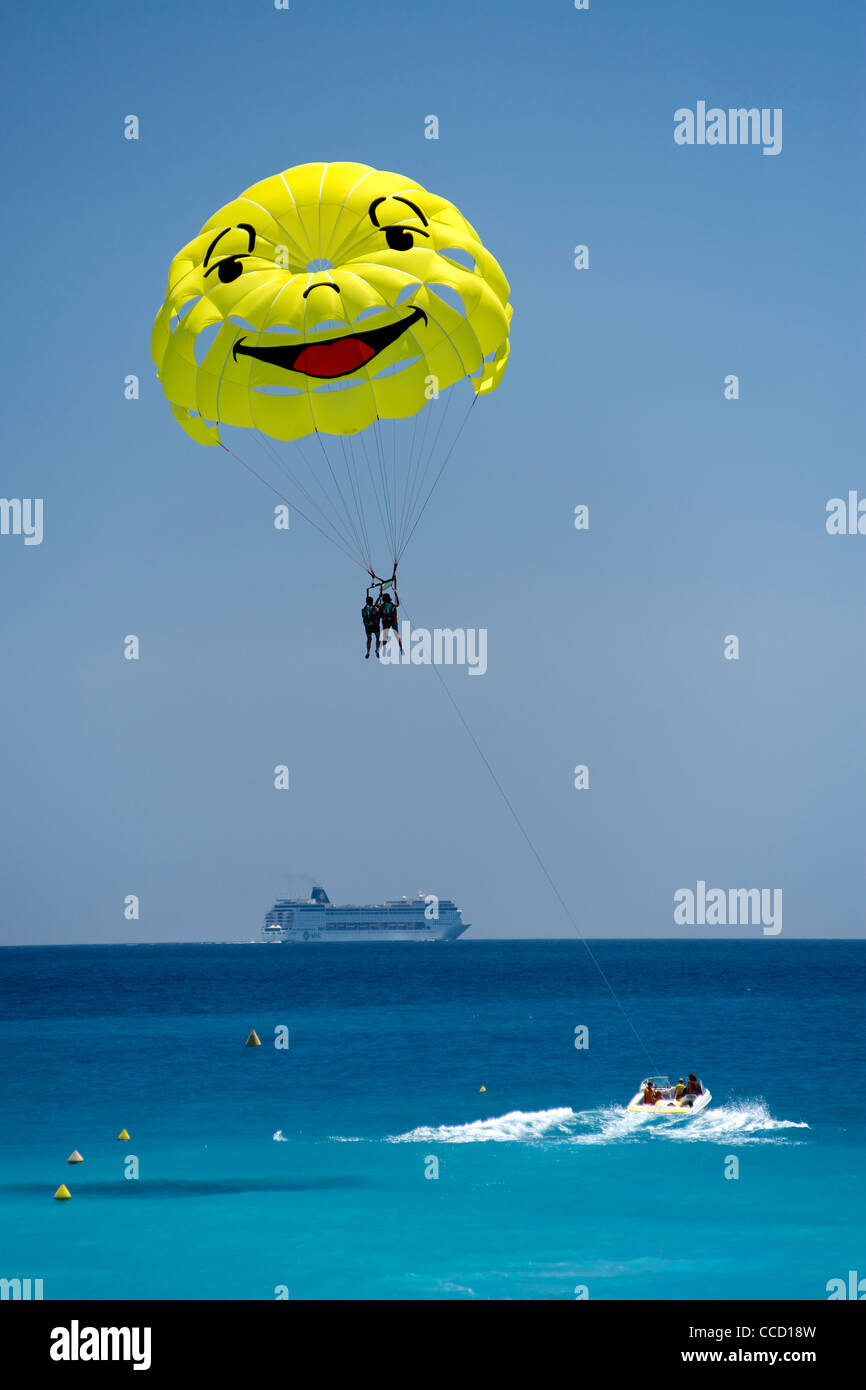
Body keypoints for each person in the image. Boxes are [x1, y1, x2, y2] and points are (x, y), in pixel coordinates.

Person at [379, 584, 403, 654]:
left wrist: (380, 596)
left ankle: (384, 649)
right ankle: (401, 648)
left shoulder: (382, 606)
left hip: (387, 622)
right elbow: (398, 603)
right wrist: (396, 594)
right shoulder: (392, 604)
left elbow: (377, 607)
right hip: (393, 621)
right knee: (396, 635)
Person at [361, 589, 381, 660]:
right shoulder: (375, 608)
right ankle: (377, 649)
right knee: (378, 638)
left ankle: (368, 652)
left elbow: (364, 617)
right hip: (375, 626)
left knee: (369, 639)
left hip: (368, 627)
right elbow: (379, 614)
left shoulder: (363, 609)